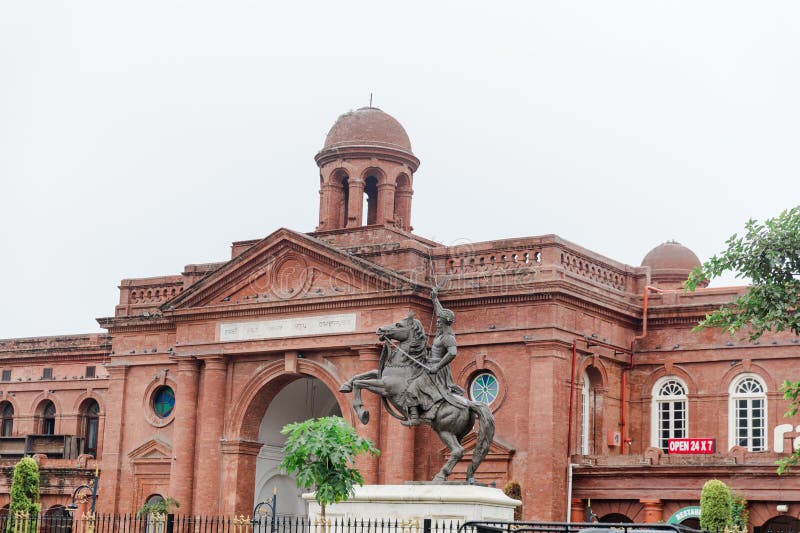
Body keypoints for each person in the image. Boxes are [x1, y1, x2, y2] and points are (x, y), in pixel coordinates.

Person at [403, 286, 465, 426]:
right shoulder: (442, 332)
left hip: (438, 370)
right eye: (437, 320)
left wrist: (437, 366)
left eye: (439, 321)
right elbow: (439, 311)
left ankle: (415, 417)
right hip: (430, 365)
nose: (436, 322)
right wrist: (434, 298)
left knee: (412, 387)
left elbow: (453, 353)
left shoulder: (448, 337)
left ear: (444, 323)